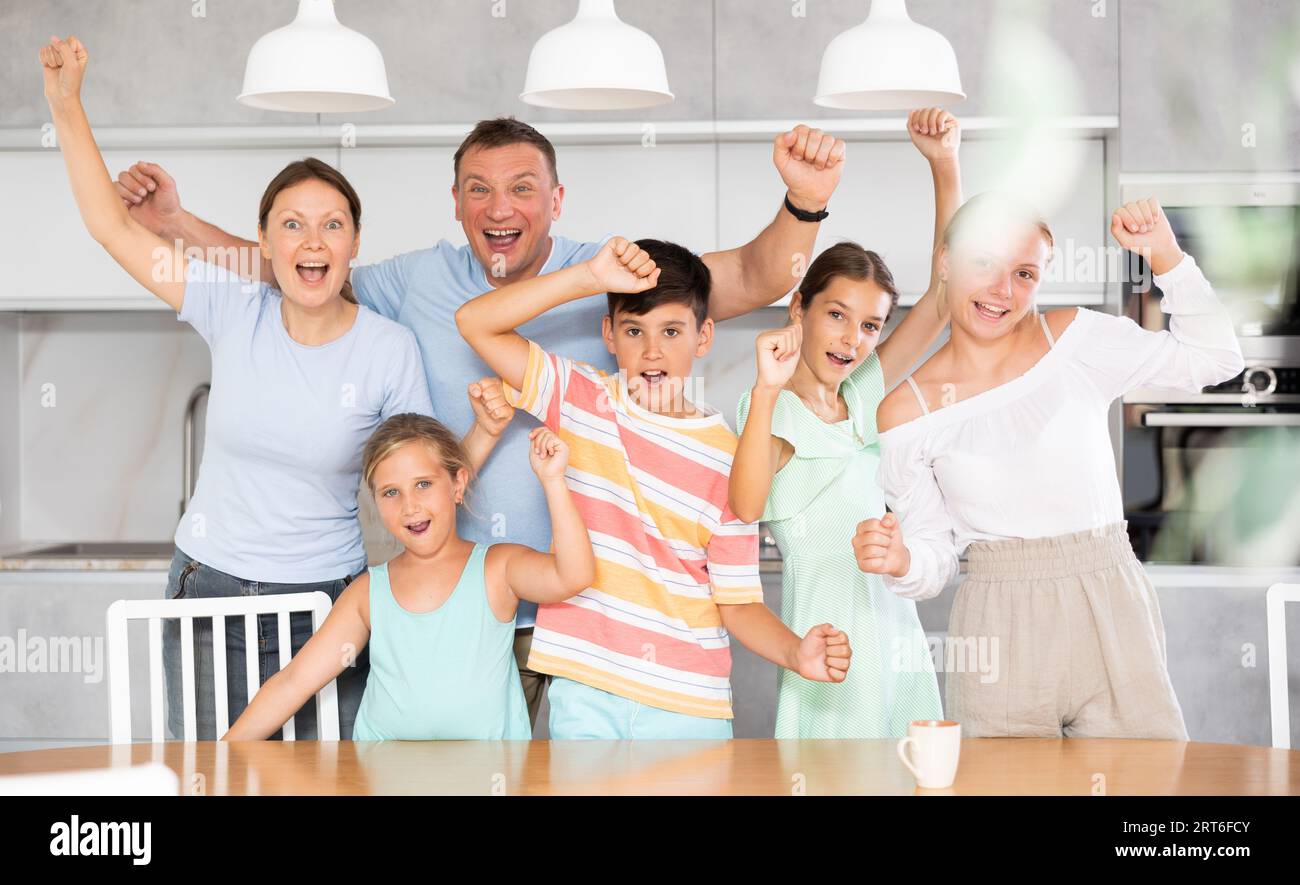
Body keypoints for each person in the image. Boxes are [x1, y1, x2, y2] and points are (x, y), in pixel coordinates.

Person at [113, 116, 850, 730]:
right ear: (457, 203)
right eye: (479, 190)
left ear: (557, 200)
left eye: (522, 188)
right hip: (461, 610)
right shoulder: (409, 282)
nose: (500, 208)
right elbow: (297, 267)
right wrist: (178, 224)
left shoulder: (613, 273)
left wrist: (804, 205)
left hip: (578, 619)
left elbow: (756, 276)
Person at [39, 35, 488, 739]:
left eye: (332, 225)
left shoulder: (387, 348)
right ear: (266, 241)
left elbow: (423, 476)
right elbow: (109, 226)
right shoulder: (231, 304)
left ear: (354, 243)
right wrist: (66, 105)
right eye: (293, 225)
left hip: (330, 604)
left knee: (331, 786)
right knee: (212, 777)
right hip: (208, 591)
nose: (313, 242)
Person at [855, 193, 1245, 739]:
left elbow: (1217, 359)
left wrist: (1165, 254)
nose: (1001, 290)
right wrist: (901, 560)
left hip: (1111, 602)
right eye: (983, 263)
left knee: (1148, 790)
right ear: (944, 261)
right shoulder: (905, 413)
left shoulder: (1079, 340)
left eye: (1024, 272)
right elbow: (934, 557)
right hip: (998, 628)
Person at [455, 236, 852, 739]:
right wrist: (588, 277)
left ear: (703, 336)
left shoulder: (732, 458)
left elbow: (739, 603)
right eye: (634, 330)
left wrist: (796, 651)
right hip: (586, 689)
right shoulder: (580, 397)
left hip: (689, 704)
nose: (651, 351)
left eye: (671, 330)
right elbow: (475, 322)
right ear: (609, 334)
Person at [733, 109, 962, 737]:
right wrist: (764, 389)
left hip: (898, 640)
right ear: (798, 307)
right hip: (831, 651)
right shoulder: (769, 408)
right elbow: (746, 505)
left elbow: (945, 297)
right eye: (837, 315)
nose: (853, 339)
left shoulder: (863, 395)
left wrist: (944, 164)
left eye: (870, 325)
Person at [224, 414, 594, 740]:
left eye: (423, 484)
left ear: (458, 485)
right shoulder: (368, 591)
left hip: (489, 776)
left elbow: (573, 575)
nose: (409, 506)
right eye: (391, 492)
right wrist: (224, 755)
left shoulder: (499, 567)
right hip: (385, 775)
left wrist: (553, 481)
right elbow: (294, 682)